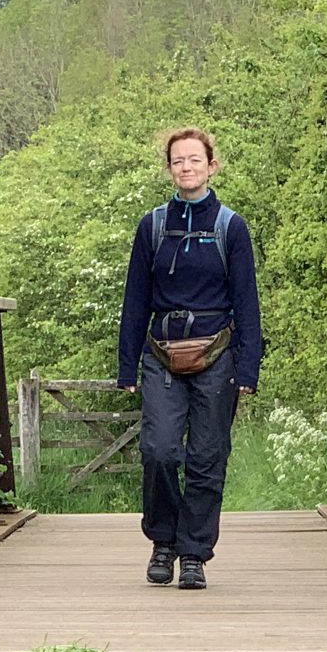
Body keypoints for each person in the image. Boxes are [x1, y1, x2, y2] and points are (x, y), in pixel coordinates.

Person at [117, 127, 262, 590]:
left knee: (206, 456)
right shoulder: (153, 225)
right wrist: (127, 365)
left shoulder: (230, 227)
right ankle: (163, 542)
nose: (187, 167)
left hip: (217, 354)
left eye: (195, 160)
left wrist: (248, 366)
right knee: (158, 451)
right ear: (169, 169)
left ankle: (194, 553)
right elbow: (135, 299)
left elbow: (247, 301)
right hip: (160, 353)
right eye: (178, 161)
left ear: (212, 166)